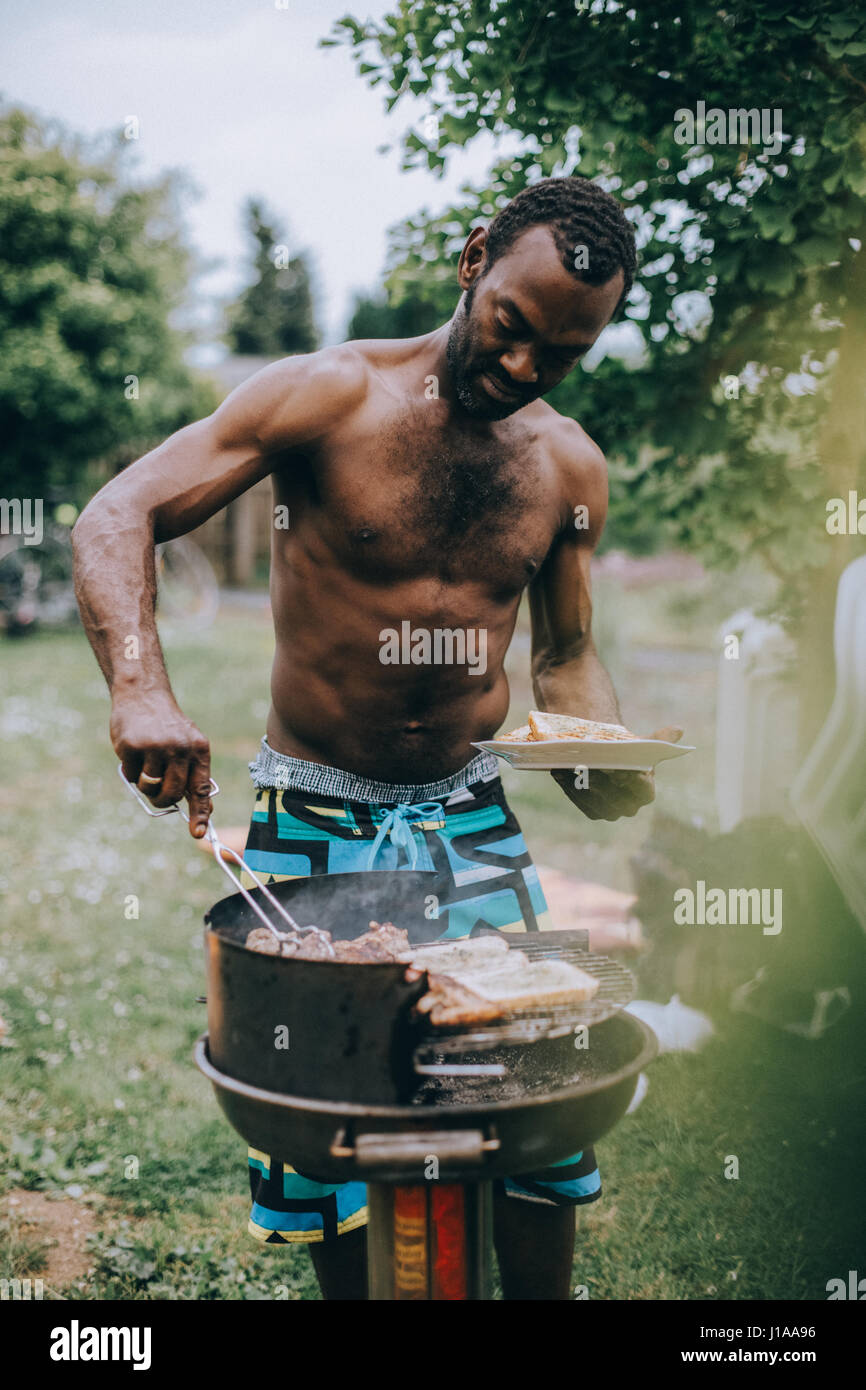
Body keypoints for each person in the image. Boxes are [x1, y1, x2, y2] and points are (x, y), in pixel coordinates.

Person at [74, 175, 662, 1300]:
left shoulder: (569, 465)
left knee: (532, 1101)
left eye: (563, 353)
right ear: (472, 258)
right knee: (329, 1130)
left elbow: (564, 647)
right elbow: (121, 512)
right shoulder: (324, 396)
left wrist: (598, 743)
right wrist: (139, 688)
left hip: (473, 820)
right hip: (312, 822)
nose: (527, 367)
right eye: (512, 327)